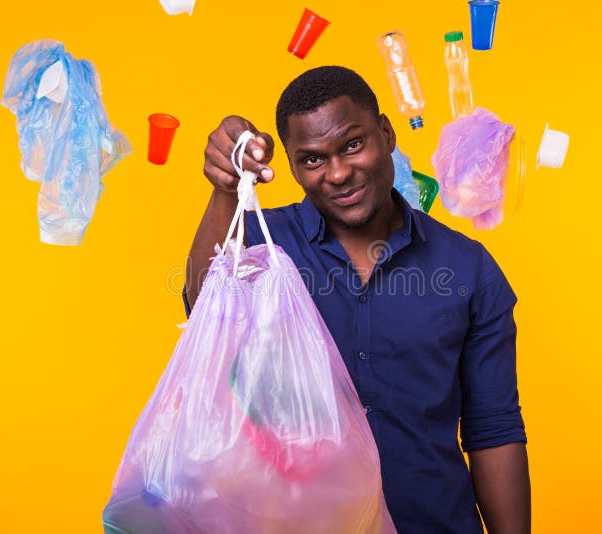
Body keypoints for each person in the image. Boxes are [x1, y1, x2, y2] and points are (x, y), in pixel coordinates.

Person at [184, 66, 530, 534]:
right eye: (312, 159)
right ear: (290, 166)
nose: (339, 173)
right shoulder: (266, 247)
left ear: (386, 133)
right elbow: (205, 309)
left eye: (352, 144)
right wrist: (226, 190)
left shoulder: (468, 269)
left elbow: (494, 430)